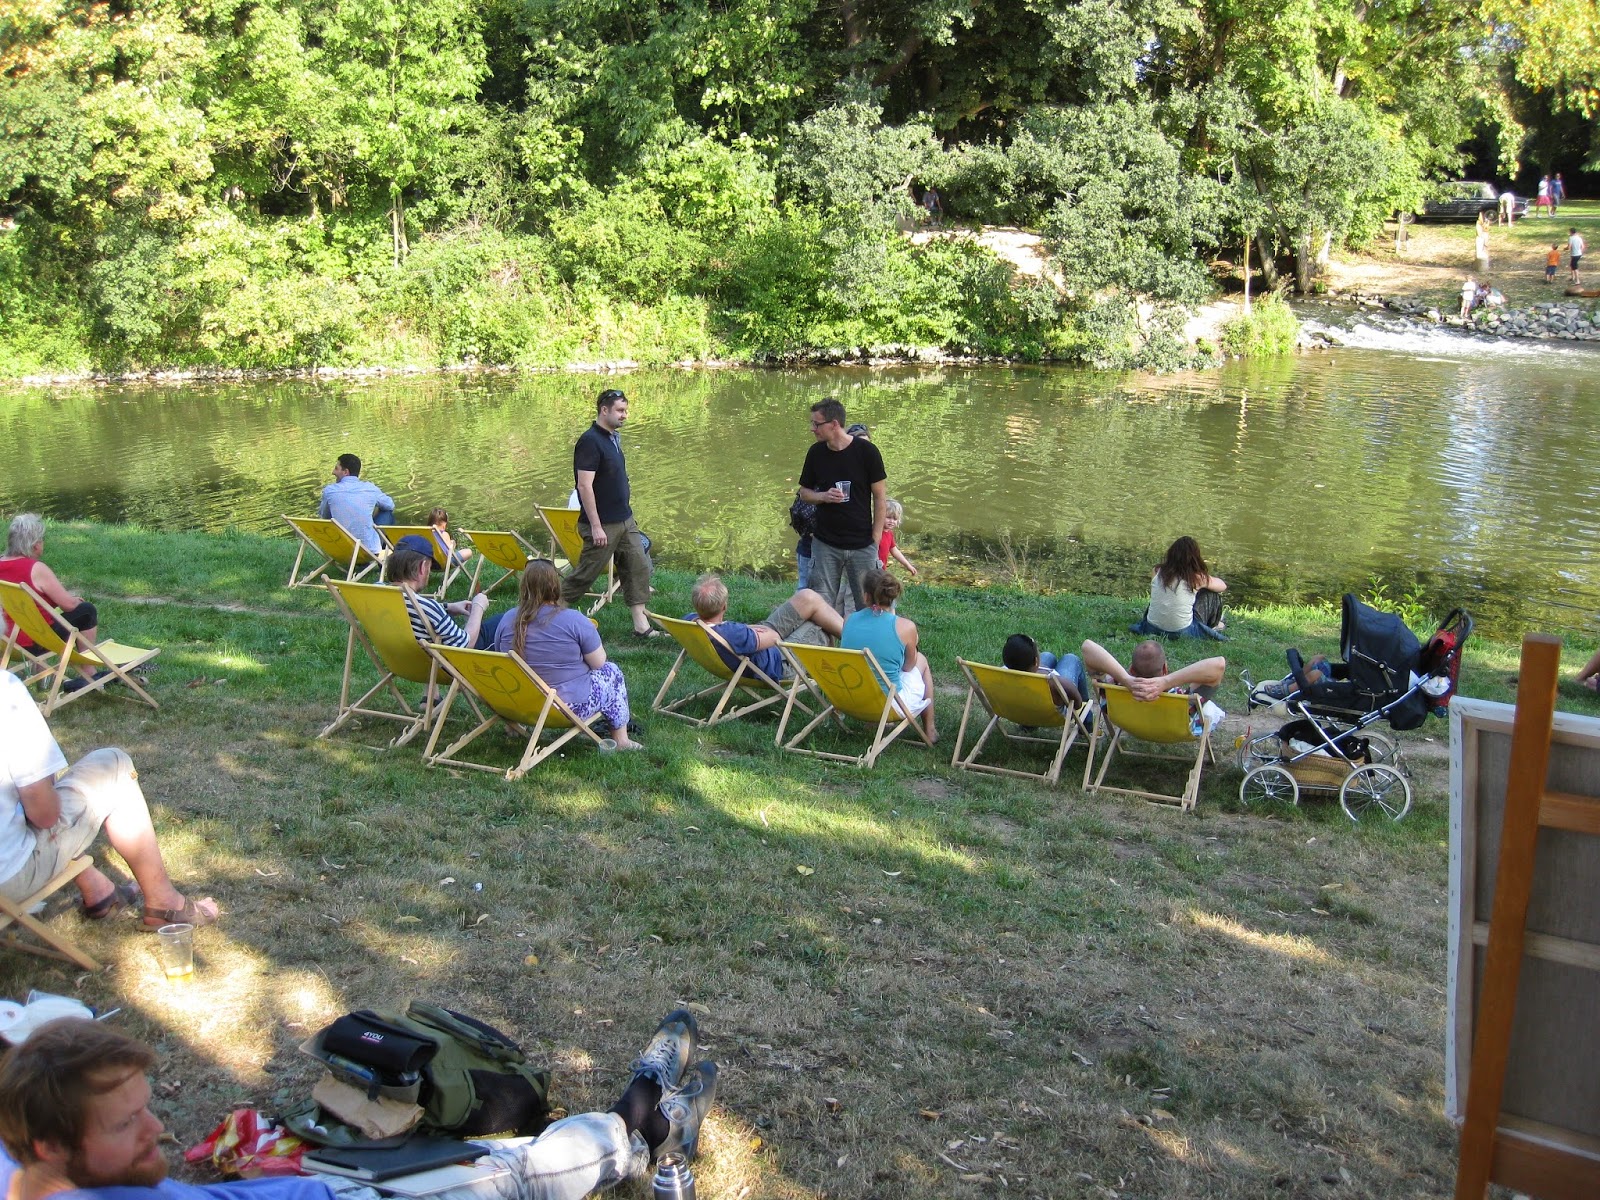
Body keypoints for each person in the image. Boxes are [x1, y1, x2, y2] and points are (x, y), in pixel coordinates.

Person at [0, 1010, 717, 1200]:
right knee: (514, 1174)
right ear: (48, 1148)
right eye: (128, 1124)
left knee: (483, 1153)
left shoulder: (56, 1173)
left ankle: (647, 1118)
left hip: (313, 1181)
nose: (156, 1130)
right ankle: (645, 1119)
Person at [1, 669, 219, 931]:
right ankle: (165, 903)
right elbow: (45, 815)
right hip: (8, 880)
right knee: (114, 764)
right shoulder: (6, 691)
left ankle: (99, 890)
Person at [494, 559, 642, 750]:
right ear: (555, 586)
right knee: (611, 671)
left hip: (517, 704)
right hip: (565, 707)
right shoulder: (573, 619)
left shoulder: (507, 619)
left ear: (523, 587)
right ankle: (621, 740)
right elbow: (599, 663)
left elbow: (501, 657)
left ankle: (513, 728)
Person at [565, 390, 654, 638]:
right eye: (620, 411)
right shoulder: (590, 441)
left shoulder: (613, 437)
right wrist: (595, 526)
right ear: (604, 410)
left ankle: (641, 627)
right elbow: (584, 485)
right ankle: (547, 615)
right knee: (585, 575)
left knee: (637, 567)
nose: (625, 415)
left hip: (625, 520)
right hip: (603, 524)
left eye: (625, 410)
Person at [796, 400, 887, 615]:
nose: (812, 428)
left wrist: (876, 537)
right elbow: (804, 493)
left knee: (869, 606)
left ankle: (866, 648)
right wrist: (823, 496)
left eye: (817, 424)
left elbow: (880, 498)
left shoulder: (867, 452)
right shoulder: (816, 453)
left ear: (834, 424)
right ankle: (822, 647)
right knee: (821, 607)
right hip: (825, 544)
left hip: (862, 544)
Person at [0, 514, 107, 694]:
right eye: (42, 539)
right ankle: (88, 673)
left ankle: (42, 677)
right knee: (86, 611)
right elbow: (68, 606)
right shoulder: (36, 569)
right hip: (34, 642)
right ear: (35, 544)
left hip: (5, 640)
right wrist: (75, 600)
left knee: (37, 617)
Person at [839, 569, 937, 743]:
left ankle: (873, 723)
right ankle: (929, 729)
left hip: (849, 699)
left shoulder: (849, 620)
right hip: (889, 704)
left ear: (866, 596)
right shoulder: (906, 627)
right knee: (921, 661)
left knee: (873, 668)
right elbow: (908, 667)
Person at [688, 575, 843, 682]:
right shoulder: (737, 635)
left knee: (807, 597)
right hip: (782, 663)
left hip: (759, 647)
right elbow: (774, 637)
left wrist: (751, 629)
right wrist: (753, 631)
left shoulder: (689, 621)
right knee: (819, 624)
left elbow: (730, 631)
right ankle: (855, 642)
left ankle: (851, 632)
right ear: (724, 606)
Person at [1080, 638, 1228, 731]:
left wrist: (1125, 679)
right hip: (1174, 729)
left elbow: (1087, 647)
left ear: (1132, 668)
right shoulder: (1183, 702)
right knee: (1209, 710)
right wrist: (1166, 682)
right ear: (1165, 668)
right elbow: (1219, 665)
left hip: (1126, 723)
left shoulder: (1114, 688)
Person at [794, 423, 869, 593]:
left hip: (846, 544)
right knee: (808, 589)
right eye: (858, 443)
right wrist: (824, 497)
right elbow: (803, 498)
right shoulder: (825, 463)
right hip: (815, 543)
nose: (861, 450)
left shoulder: (864, 472)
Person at [386, 543, 503, 650]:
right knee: (508, 620)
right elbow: (466, 645)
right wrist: (478, 607)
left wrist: (448, 607)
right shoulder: (429, 608)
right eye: (430, 568)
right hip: (448, 663)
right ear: (422, 567)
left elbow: (418, 608)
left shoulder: (378, 594)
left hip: (403, 659)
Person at [1131, 536, 1228, 640]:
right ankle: (1214, 625)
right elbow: (1222, 586)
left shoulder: (1157, 571)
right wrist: (1205, 582)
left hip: (1151, 627)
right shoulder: (1196, 578)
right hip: (1181, 631)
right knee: (1212, 594)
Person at [318, 454, 394, 555]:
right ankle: (384, 557)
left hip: (341, 549)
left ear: (346, 472)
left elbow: (324, 516)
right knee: (386, 512)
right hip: (369, 550)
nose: (333, 472)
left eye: (336, 468)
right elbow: (390, 505)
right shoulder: (369, 488)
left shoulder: (329, 491)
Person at [1001, 633, 1088, 709]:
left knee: (1047, 655)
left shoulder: (1000, 673)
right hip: (1052, 714)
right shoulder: (1052, 680)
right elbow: (1078, 704)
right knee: (1071, 658)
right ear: (1036, 662)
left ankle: (1028, 725)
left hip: (1021, 708)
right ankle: (1086, 721)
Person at [877, 499, 919, 577]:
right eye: (888, 517)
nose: (892, 521)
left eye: (895, 519)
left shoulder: (889, 534)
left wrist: (908, 565)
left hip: (881, 569)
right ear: (880, 515)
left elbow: (894, 550)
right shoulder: (875, 532)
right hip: (871, 569)